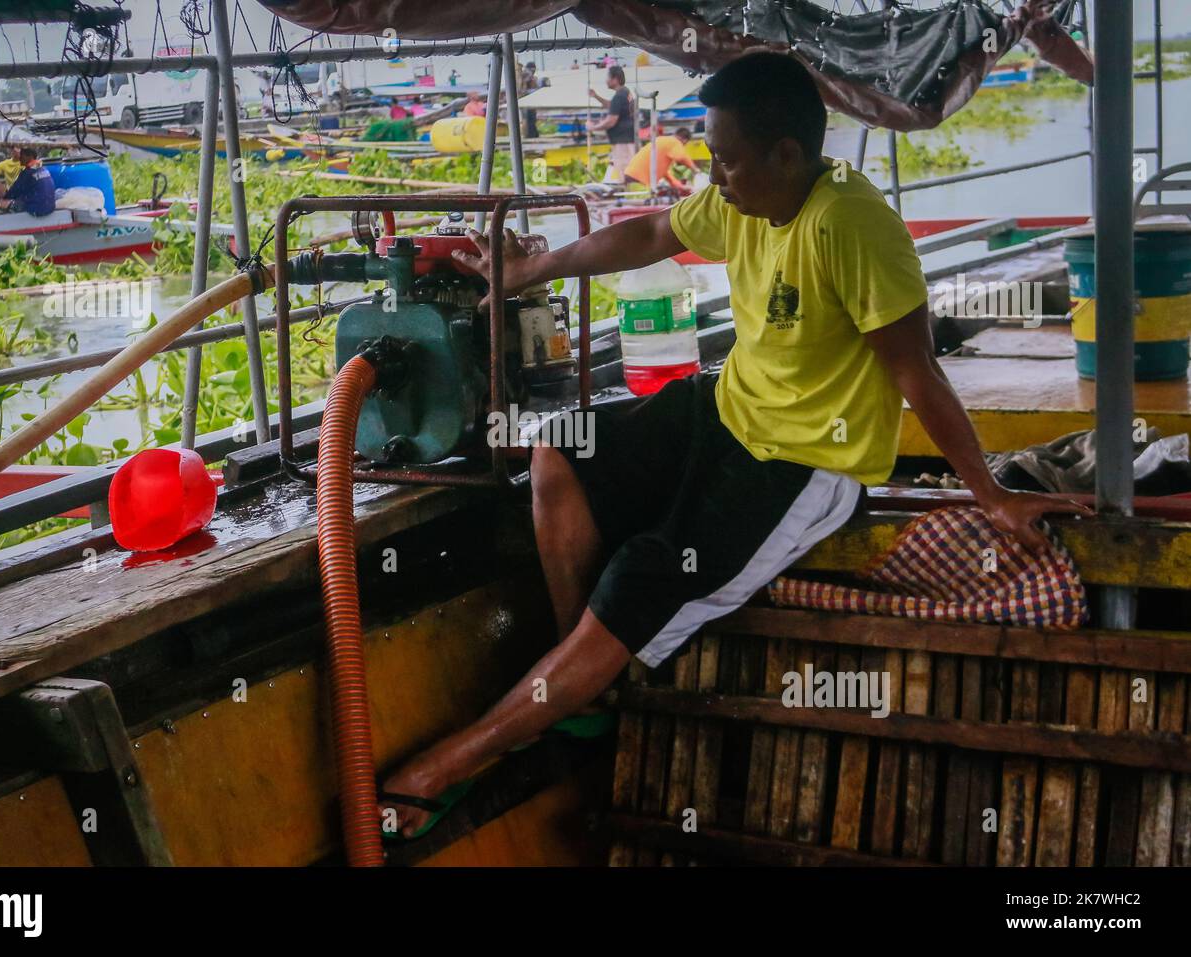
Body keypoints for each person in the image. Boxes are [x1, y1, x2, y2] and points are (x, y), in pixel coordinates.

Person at [377, 51, 1092, 837]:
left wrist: (988, 491)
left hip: (807, 461)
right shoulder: (747, 198)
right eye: (712, 156)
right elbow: (650, 232)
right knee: (558, 452)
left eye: (727, 159)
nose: (714, 175)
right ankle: (583, 686)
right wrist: (532, 268)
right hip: (726, 406)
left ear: (788, 154)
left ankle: (440, 768)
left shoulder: (852, 227)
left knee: (634, 586)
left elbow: (918, 372)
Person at [587, 65, 636, 181]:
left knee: (624, 170)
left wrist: (593, 127)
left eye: (608, 77)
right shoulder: (626, 92)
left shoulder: (619, 96)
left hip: (622, 140)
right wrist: (596, 97)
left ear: (615, 79)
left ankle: (627, 194)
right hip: (628, 137)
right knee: (628, 167)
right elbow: (612, 106)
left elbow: (611, 121)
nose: (606, 80)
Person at [623, 126, 699, 194]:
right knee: (643, 206)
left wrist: (681, 187)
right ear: (685, 140)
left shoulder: (662, 141)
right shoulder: (674, 142)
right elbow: (681, 157)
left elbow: (667, 175)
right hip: (639, 181)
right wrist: (695, 169)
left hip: (630, 177)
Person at [0, 147, 55, 217]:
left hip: (37, 209)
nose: (19, 158)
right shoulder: (43, 169)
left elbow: (12, 194)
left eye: (22, 155)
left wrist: (2, 200)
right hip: (50, 207)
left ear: (30, 156)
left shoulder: (27, 172)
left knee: (2, 203)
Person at [521, 61, 540, 139]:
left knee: (531, 118)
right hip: (527, 100)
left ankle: (531, 134)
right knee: (527, 118)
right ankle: (528, 134)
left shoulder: (531, 76)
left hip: (531, 101)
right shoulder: (526, 75)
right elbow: (524, 87)